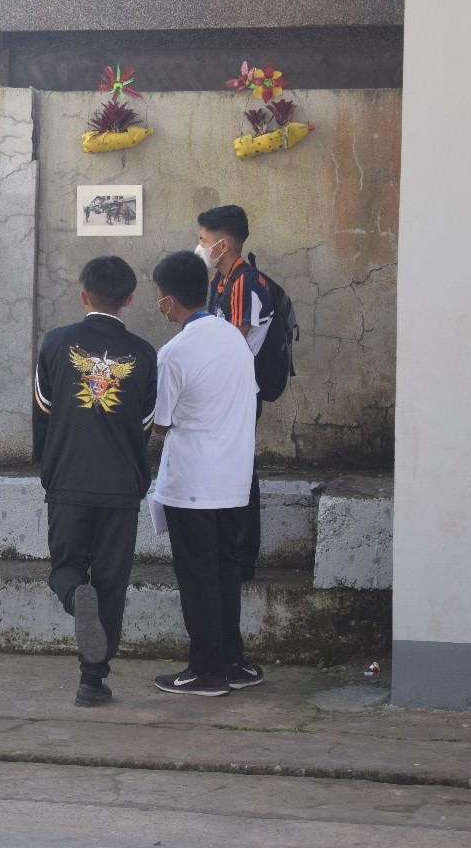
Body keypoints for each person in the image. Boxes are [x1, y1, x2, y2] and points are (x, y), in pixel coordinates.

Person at [33, 256, 157, 707]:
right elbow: (145, 426)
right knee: (111, 583)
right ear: (129, 299)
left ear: (84, 296)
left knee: (66, 568)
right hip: (120, 487)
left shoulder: (55, 342)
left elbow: (43, 414)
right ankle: (92, 681)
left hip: (67, 481)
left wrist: (49, 468)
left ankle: (73, 595)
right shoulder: (144, 354)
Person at [149, 251, 265, 696]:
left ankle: (206, 670)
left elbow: (160, 422)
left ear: (167, 301)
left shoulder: (175, 352)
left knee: (198, 577)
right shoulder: (233, 337)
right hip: (234, 479)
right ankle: (232, 663)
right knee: (225, 572)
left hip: (195, 481)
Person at [197, 205, 274, 581]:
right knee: (224, 469)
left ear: (222, 245)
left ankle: (242, 557)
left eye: (203, 240)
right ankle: (225, 550)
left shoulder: (245, 282)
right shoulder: (221, 281)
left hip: (239, 394)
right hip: (223, 392)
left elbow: (234, 345)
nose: (200, 246)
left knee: (240, 470)